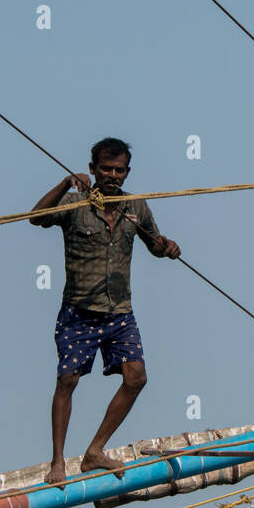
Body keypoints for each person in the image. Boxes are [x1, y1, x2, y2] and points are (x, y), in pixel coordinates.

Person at [29, 137, 181, 485]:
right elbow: (36, 218)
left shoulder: (135, 208)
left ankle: (95, 451)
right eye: (106, 169)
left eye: (119, 170)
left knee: (137, 378)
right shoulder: (75, 203)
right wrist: (66, 181)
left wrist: (168, 247)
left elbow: (154, 244)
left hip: (119, 312)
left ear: (127, 172)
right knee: (67, 381)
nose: (113, 175)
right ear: (93, 169)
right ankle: (57, 463)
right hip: (80, 310)